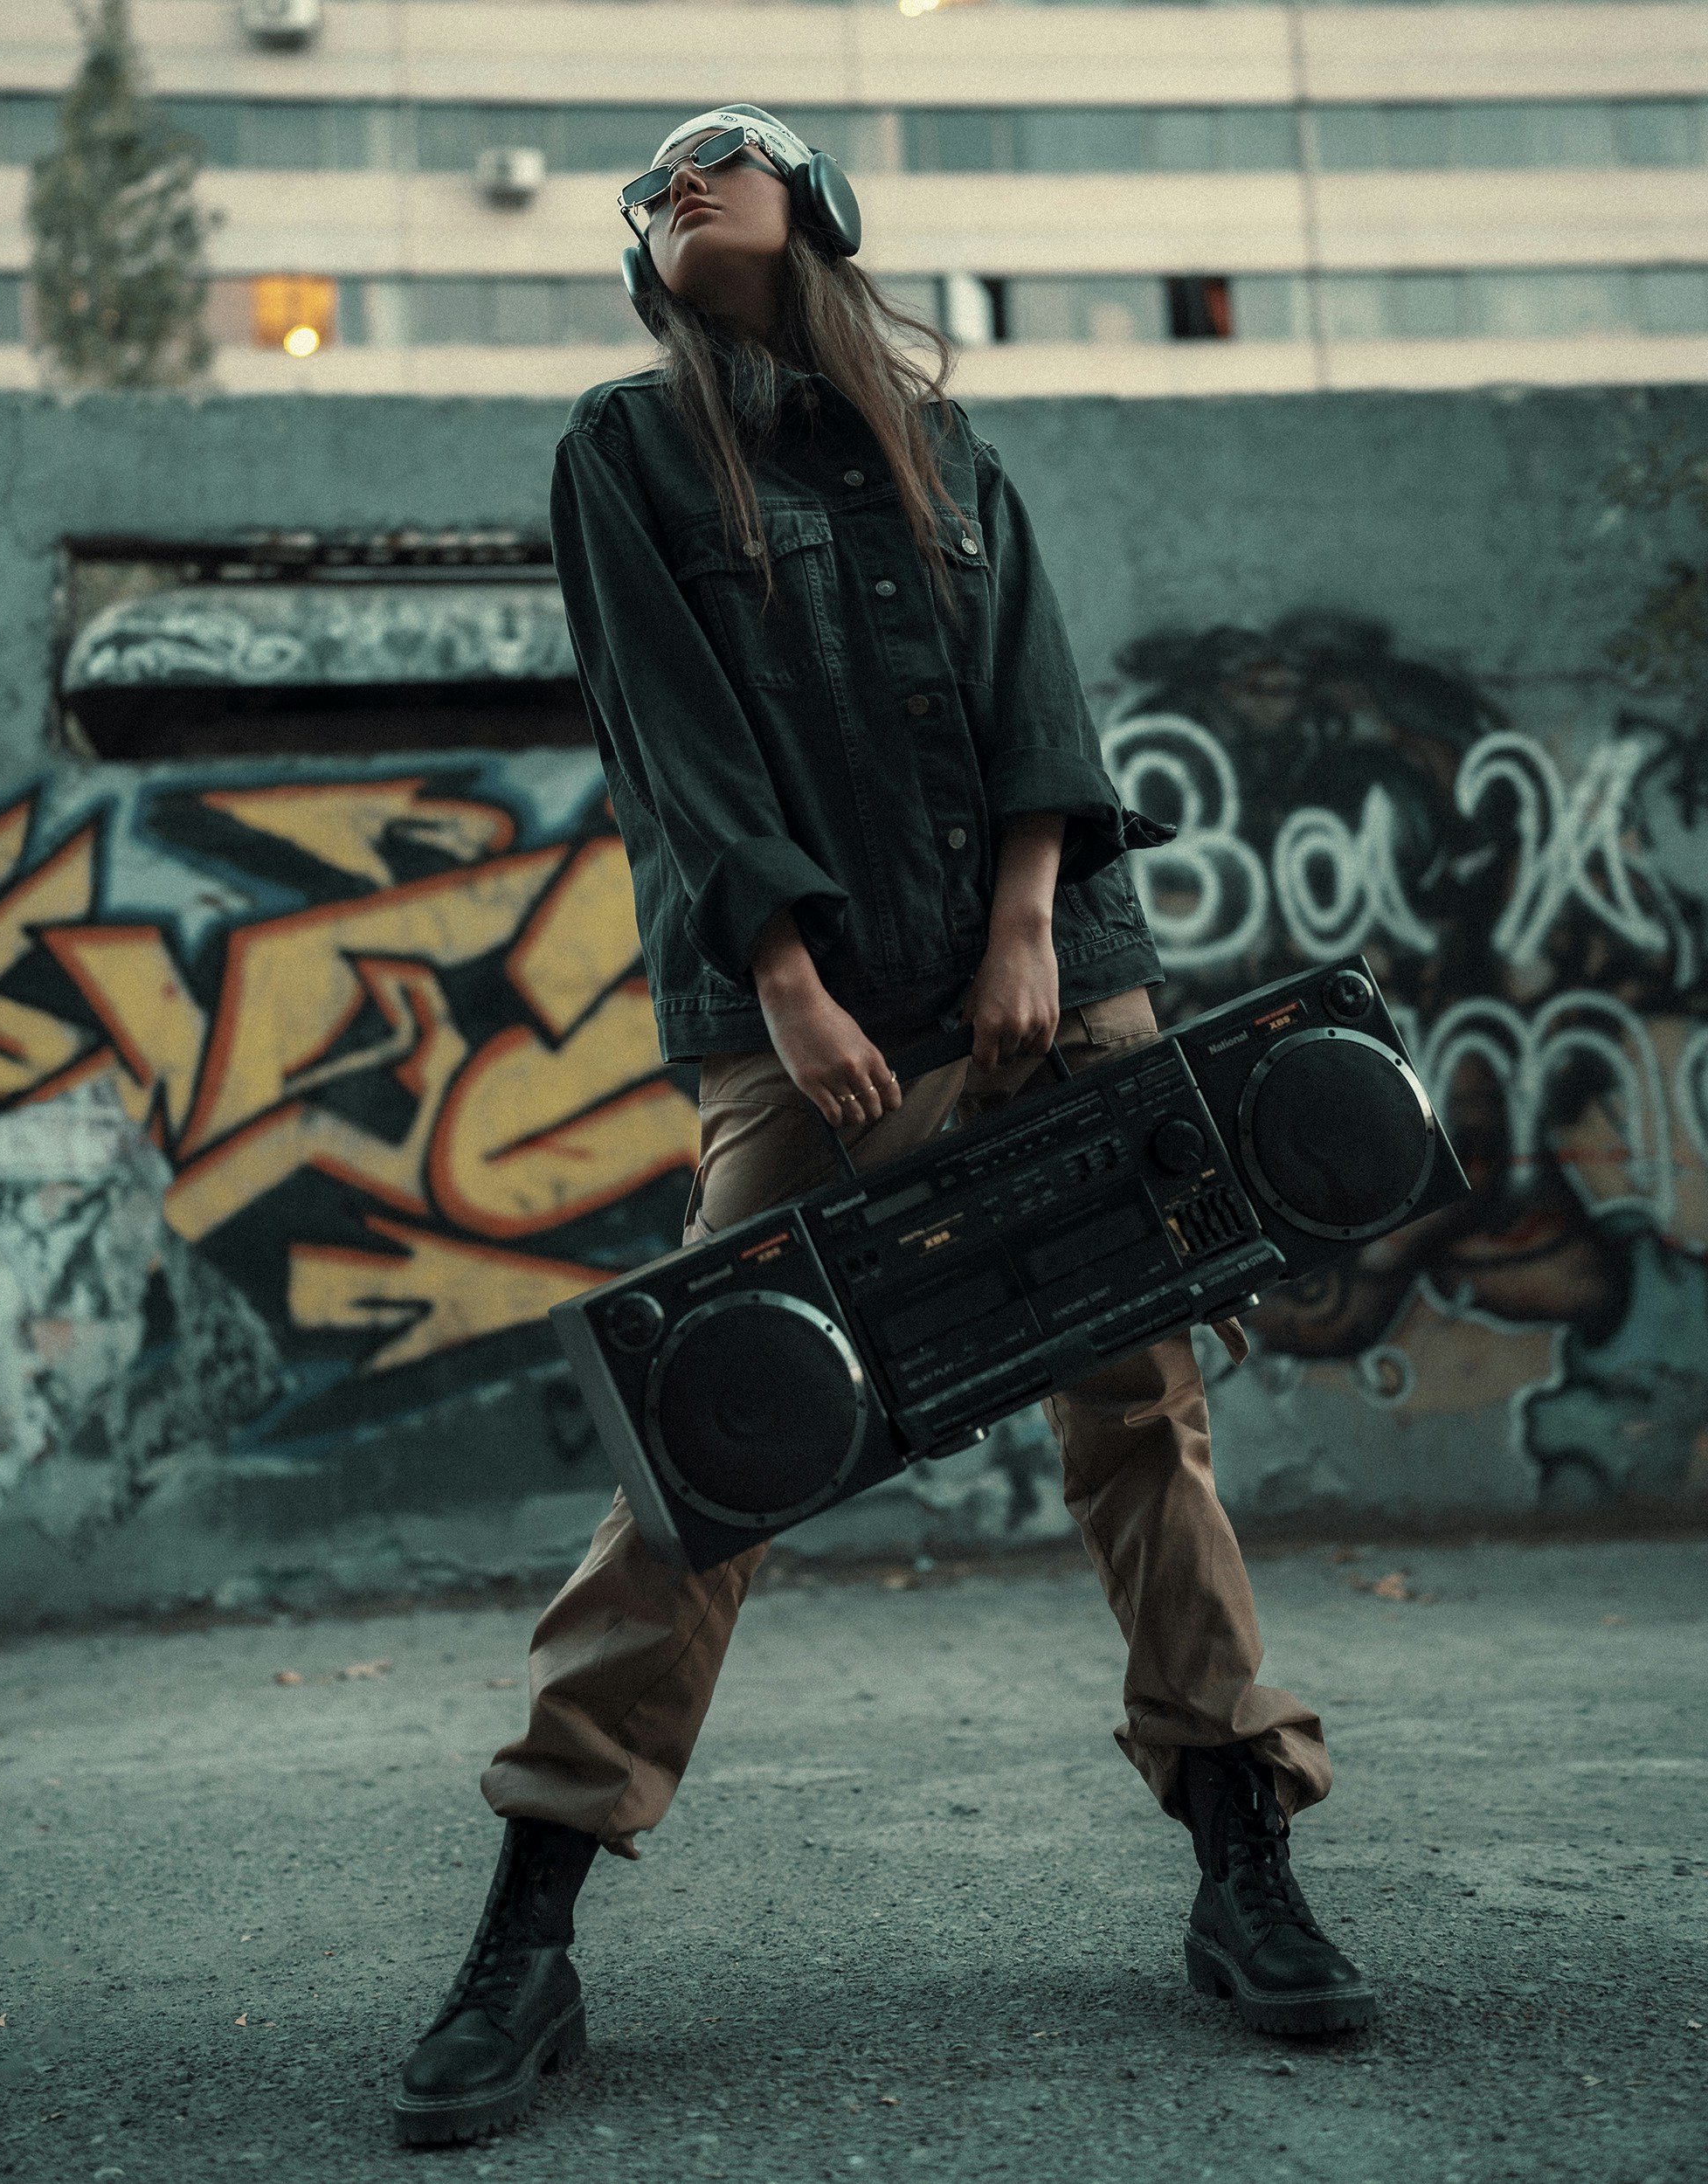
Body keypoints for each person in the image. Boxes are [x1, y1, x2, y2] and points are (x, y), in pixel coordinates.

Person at [391, 104, 1375, 2148]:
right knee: (711, 1442)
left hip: (1045, 976)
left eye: (722, 155)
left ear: (821, 205)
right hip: (800, 1010)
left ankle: (1239, 1862)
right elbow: (667, 734)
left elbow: (1039, 699)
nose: (680, 179)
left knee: (1139, 1414)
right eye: (652, 179)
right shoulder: (627, 447)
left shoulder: (946, 441)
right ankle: (531, 1927)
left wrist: (1030, 923)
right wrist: (788, 979)